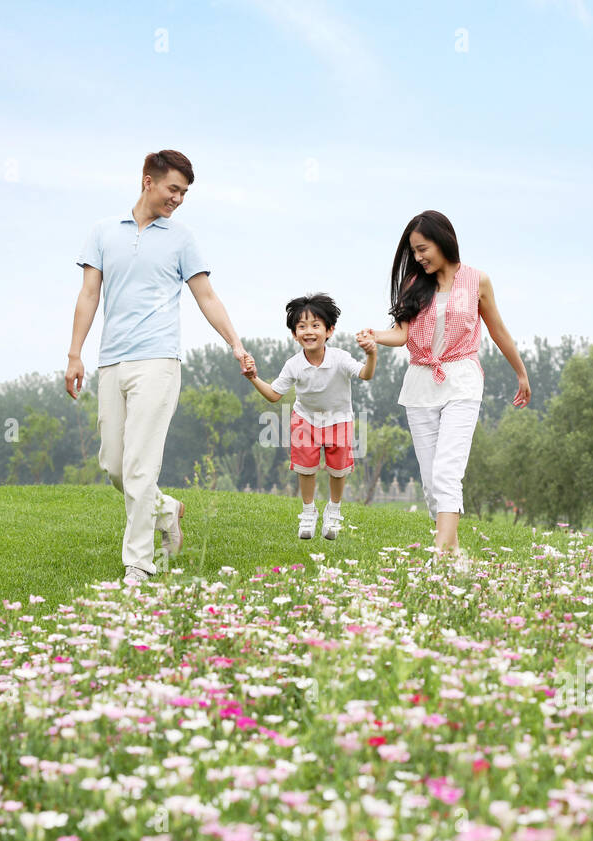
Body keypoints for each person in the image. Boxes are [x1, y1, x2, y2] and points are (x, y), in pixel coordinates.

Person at [66, 149, 250, 587]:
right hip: (112, 361)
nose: (178, 199)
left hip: (159, 360)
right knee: (114, 463)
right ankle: (167, 510)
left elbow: (206, 296)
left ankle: (139, 563)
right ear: (148, 181)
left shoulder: (182, 238)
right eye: (173, 189)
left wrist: (235, 343)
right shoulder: (102, 233)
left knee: (140, 464)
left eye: (184, 192)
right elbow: (89, 295)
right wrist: (75, 353)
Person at [356, 210, 530, 558]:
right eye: (414, 252)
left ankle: (441, 551)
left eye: (423, 249)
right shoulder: (414, 284)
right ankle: (453, 554)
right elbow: (403, 334)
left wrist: (521, 372)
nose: (418, 258)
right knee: (431, 481)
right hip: (420, 383)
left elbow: (497, 329)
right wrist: (374, 335)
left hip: (462, 378)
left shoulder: (476, 281)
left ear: (443, 240)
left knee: (447, 470)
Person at [243, 294, 376, 540]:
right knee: (306, 468)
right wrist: (253, 377)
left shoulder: (340, 358)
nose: (308, 331)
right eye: (301, 326)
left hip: (339, 420)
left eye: (315, 325)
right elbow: (274, 394)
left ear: (329, 330)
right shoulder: (293, 364)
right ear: (294, 334)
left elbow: (365, 375)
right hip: (306, 420)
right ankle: (308, 511)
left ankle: (333, 510)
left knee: (338, 470)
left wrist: (371, 354)